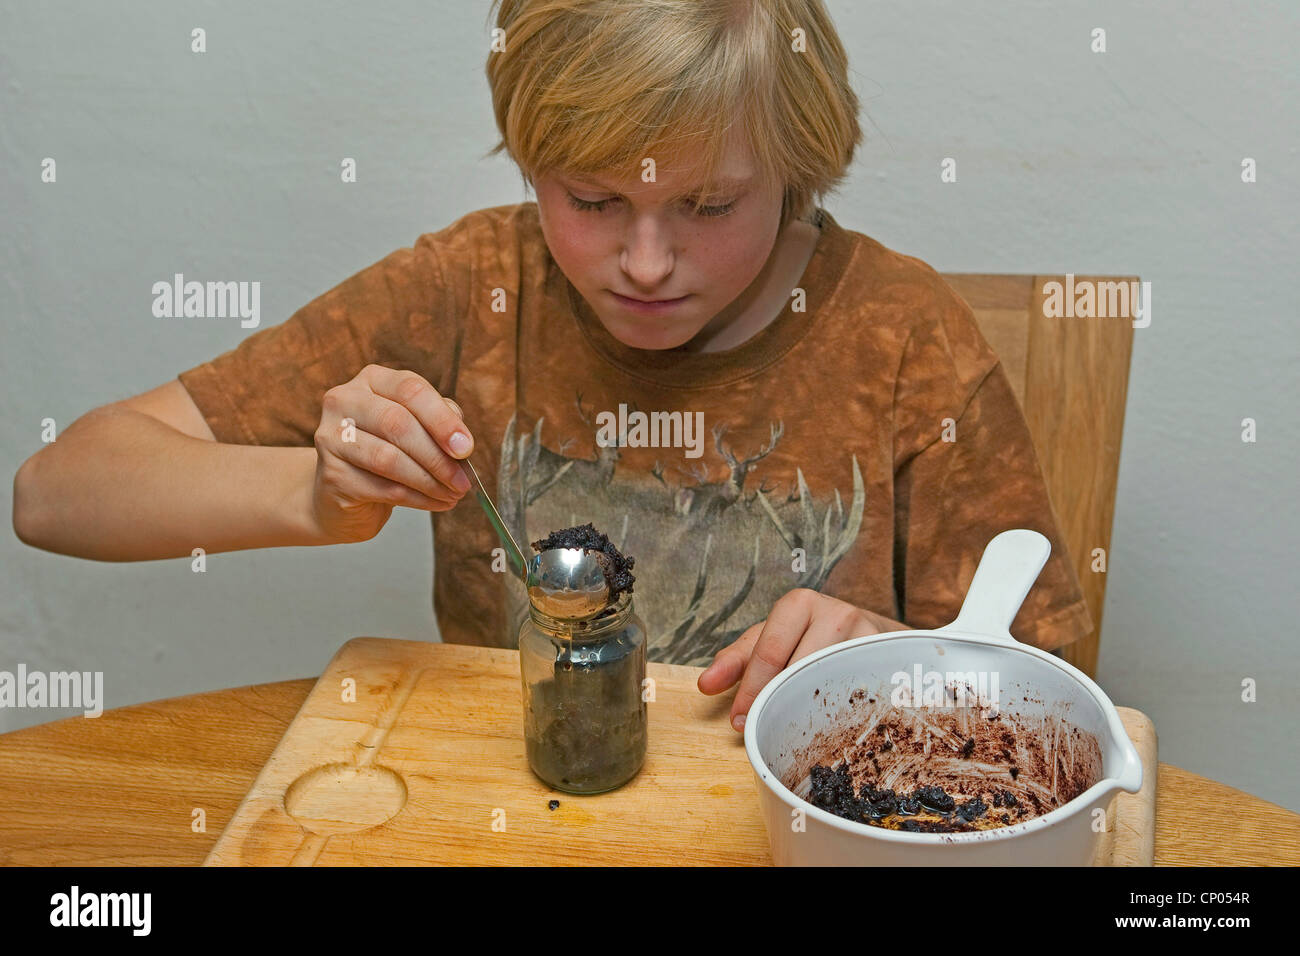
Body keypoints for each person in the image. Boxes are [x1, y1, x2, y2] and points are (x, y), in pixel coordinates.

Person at [13, 0, 1093, 733]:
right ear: (530, 161)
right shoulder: (471, 286)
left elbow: (1066, 701)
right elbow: (57, 491)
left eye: (708, 206)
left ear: (797, 170)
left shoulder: (902, 335)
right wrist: (313, 490)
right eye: (591, 200)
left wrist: (893, 660)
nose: (647, 262)